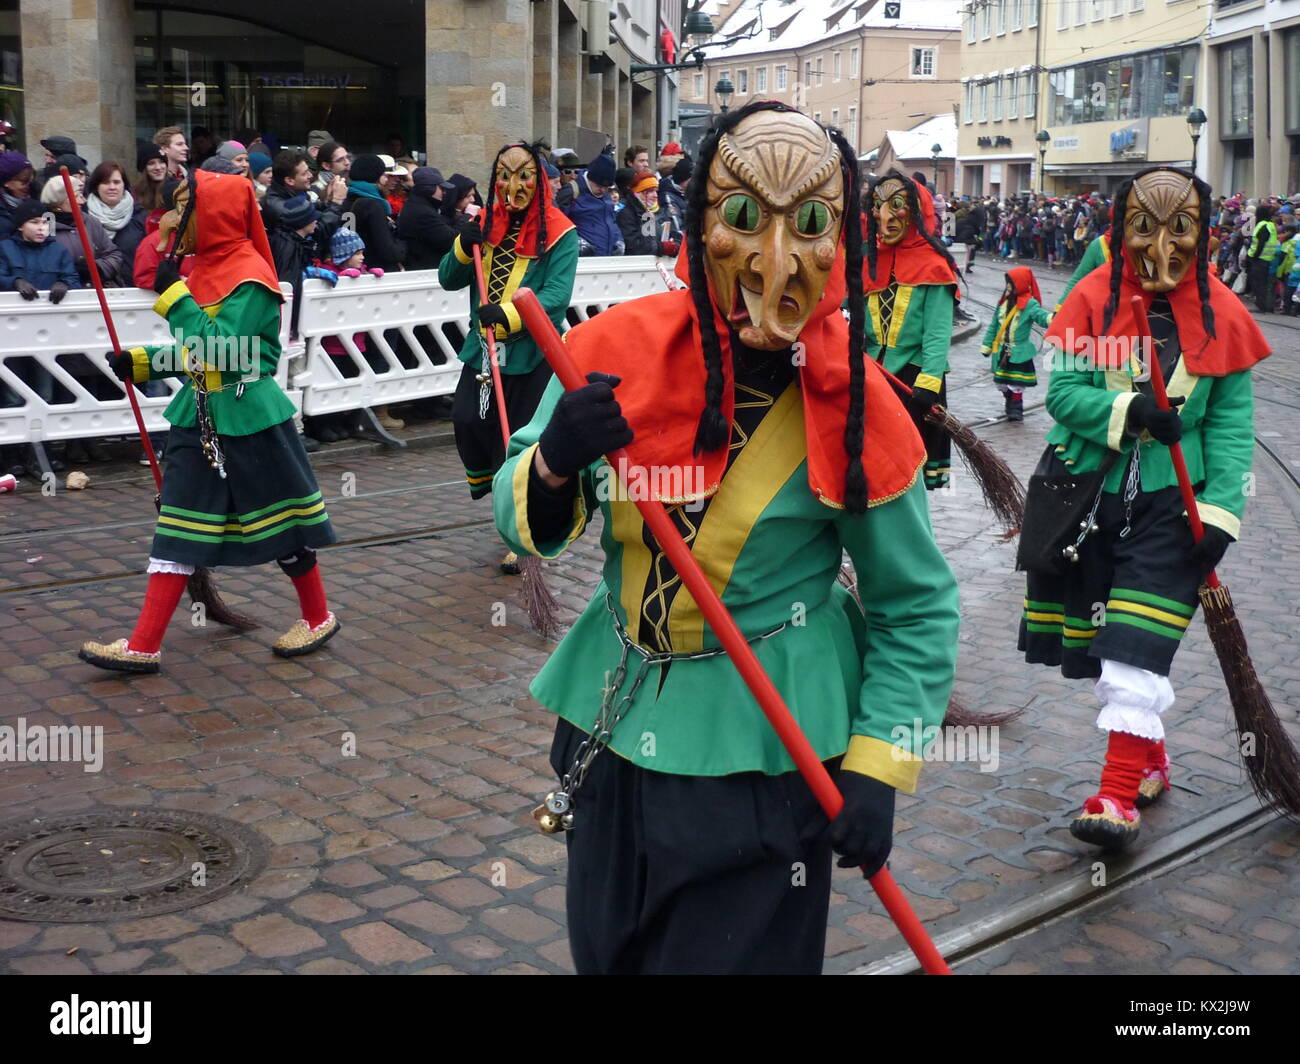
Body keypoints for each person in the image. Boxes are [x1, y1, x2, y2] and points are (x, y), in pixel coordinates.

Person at [492, 101, 958, 974]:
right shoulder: (613, 349)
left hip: (764, 768)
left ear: (839, 240)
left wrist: (880, 763)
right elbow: (516, 513)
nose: (774, 258)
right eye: (743, 218)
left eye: (809, 224)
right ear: (701, 218)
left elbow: (915, 606)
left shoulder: (859, 405)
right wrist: (553, 461)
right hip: (611, 730)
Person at [1025, 166, 1270, 850]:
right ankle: (1150, 758)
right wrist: (1129, 408)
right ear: (1121, 227)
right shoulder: (1091, 300)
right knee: (1110, 651)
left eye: (1180, 227)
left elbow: (1230, 426)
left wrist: (1222, 515)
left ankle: (1114, 794)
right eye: (1144, 225)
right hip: (1090, 499)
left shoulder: (1225, 315)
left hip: (1174, 507)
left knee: (1134, 645)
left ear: (1204, 232)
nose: (1161, 244)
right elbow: (1063, 396)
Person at [79, 170, 341, 674]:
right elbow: (197, 350)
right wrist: (142, 362)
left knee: (284, 528)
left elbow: (223, 348)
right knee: (178, 527)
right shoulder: (202, 268)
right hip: (199, 416)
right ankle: (143, 644)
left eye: (183, 206)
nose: (171, 219)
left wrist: (174, 299)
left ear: (215, 213)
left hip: (249, 418)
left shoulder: (249, 276)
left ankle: (318, 616)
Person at [439, 139, 578, 571]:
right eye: (503, 175)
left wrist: (510, 314)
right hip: (482, 351)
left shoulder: (560, 231)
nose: (511, 185)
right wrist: (463, 244)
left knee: (521, 441)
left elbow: (556, 295)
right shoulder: (483, 222)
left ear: (538, 180)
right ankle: (502, 497)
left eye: (522, 175)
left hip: (533, 353)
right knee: (468, 421)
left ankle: (525, 531)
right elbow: (449, 278)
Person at [862, 169, 962, 491]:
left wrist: (927, 387)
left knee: (907, 478)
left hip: (914, 383)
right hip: (872, 379)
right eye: (879, 206)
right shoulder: (869, 260)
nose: (885, 216)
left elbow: (936, 334)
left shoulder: (934, 265)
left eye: (897, 206)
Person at [981, 266, 1051, 421]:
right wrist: (987, 344)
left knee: (1017, 382)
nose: (1007, 287)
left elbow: (1040, 316)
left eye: (1010, 283)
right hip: (1001, 350)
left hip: (1019, 351)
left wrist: (1053, 318)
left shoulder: (1030, 304)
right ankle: (1009, 400)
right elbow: (993, 325)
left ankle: (1015, 407)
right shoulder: (1003, 303)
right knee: (1001, 383)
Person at [42, 173, 126, 287]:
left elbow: (114, 254)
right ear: (58, 203)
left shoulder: (90, 222)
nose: (83, 201)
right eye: (76, 196)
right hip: (61, 296)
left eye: (81, 195)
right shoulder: (43, 227)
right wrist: (66, 276)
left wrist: (97, 268)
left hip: (95, 292)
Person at [341, 154, 407, 272]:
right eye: (383, 175)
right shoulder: (372, 205)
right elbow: (388, 251)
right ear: (375, 176)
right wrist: (403, 244)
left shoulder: (346, 199)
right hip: (376, 273)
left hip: (354, 270)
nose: (386, 179)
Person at [395, 166, 460, 270]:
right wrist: (467, 218)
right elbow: (451, 240)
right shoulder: (422, 212)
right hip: (425, 270)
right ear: (429, 188)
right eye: (441, 188)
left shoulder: (418, 206)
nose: (444, 192)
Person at [86, 161, 148, 267]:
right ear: (96, 186)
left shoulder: (140, 215)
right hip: (98, 282)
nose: (112, 187)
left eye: (116, 182)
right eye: (106, 182)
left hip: (132, 282)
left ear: (124, 185)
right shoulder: (83, 217)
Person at [562, 153, 622, 256]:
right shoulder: (571, 191)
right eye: (599, 186)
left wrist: (619, 240)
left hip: (606, 257)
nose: (603, 190)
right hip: (581, 259)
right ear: (590, 178)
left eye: (607, 187)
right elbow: (559, 223)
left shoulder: (605, 194)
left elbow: (612, 221)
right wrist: (576, 242)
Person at [616, 170, 674, 257]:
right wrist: (662, 248)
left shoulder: (662, 210)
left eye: (656, 191)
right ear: (638, 192)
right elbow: (636, 247)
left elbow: (675, 233)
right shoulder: (627, 214)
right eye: (650, 191)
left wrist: (675, 245)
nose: (655, 195)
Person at [1245, 203, 1280, 312]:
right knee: (1262, 282)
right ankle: (1262, 305)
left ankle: (1261, 305)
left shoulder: (1263, 225)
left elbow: (1260, 243)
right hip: (1266, 258)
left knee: (1258, 283)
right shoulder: (1270, 224)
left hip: (1259, 258)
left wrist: (1254, 256)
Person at [0, 151, 35, 240]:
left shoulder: (36, 198)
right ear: (6, 182)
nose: (29, 186)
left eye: (30, 180)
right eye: (24, 182)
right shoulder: (3, 214)